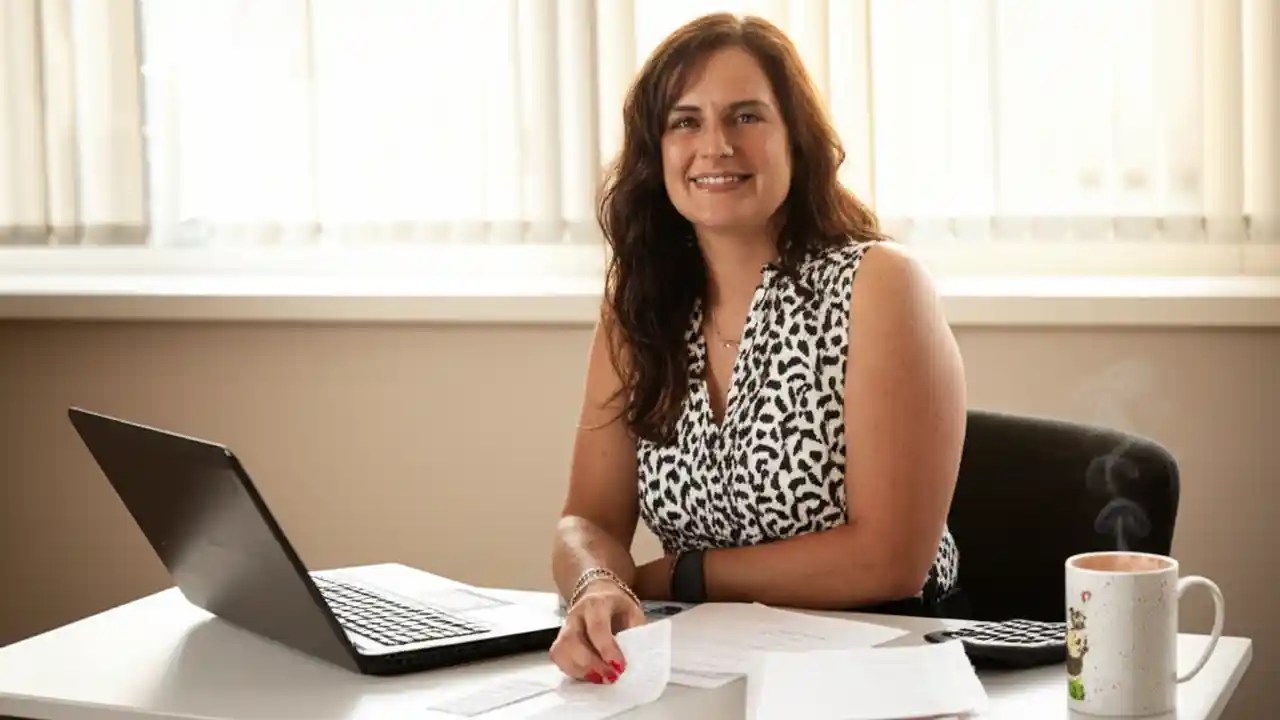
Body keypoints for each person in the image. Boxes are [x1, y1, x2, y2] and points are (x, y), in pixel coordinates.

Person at [548, 13, 968, 685]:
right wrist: (598, 584)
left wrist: (679, 575)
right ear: (657, 154)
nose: (715, 145)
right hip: (706, 664)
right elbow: (586, 519)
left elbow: (889, 559)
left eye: (746, 116)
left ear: (796, 139)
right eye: (685, 121)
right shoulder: (638, 309)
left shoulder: (880, 285)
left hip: (883, 660)